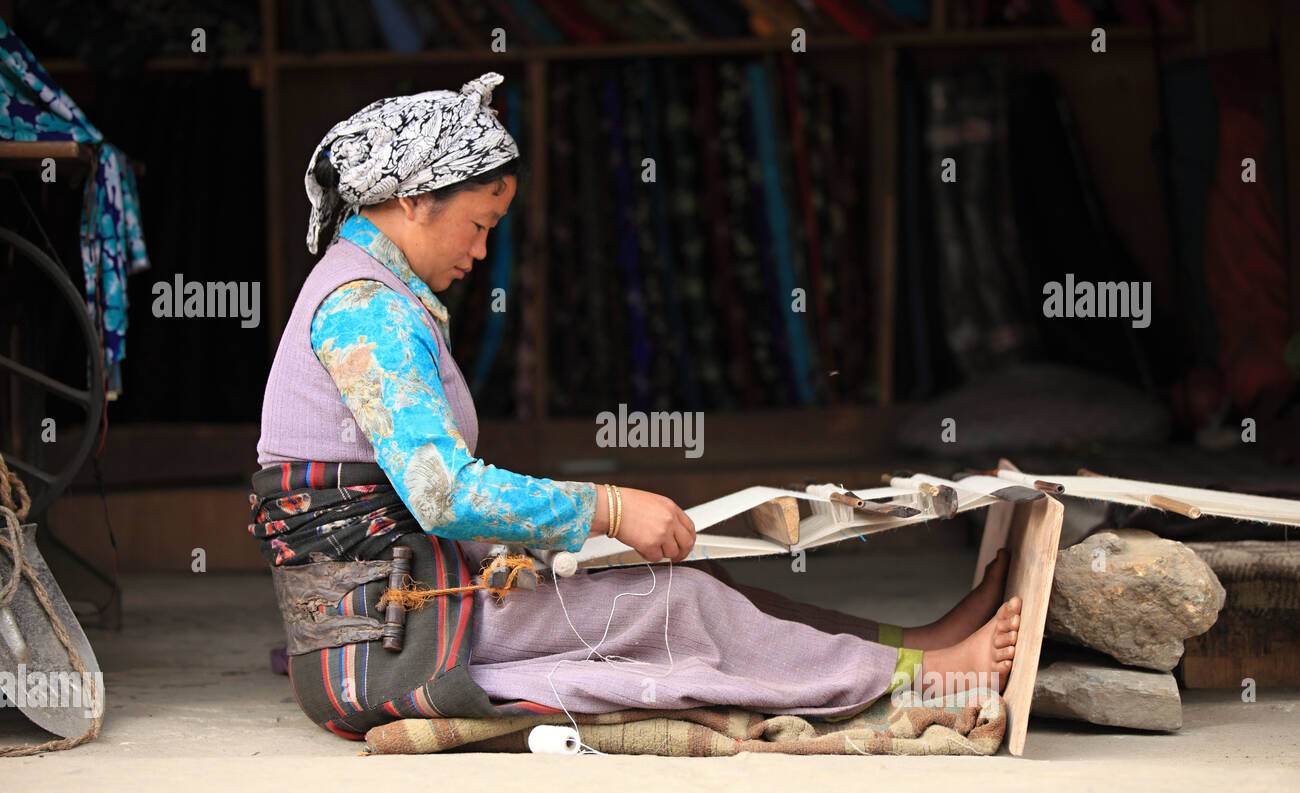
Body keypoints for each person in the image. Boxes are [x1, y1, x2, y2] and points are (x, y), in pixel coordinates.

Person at [249, 73, 1020, 741]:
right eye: (480, 225)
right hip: (391, 642)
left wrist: (589, 531)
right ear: (416, 199)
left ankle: (916, 643)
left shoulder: (372, 296)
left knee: (702, 590)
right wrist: (608, 508)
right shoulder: (365, 312)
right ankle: (919, 675)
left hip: (410, 609)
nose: (482, 253)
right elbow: (444, 492)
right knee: (678, 605)